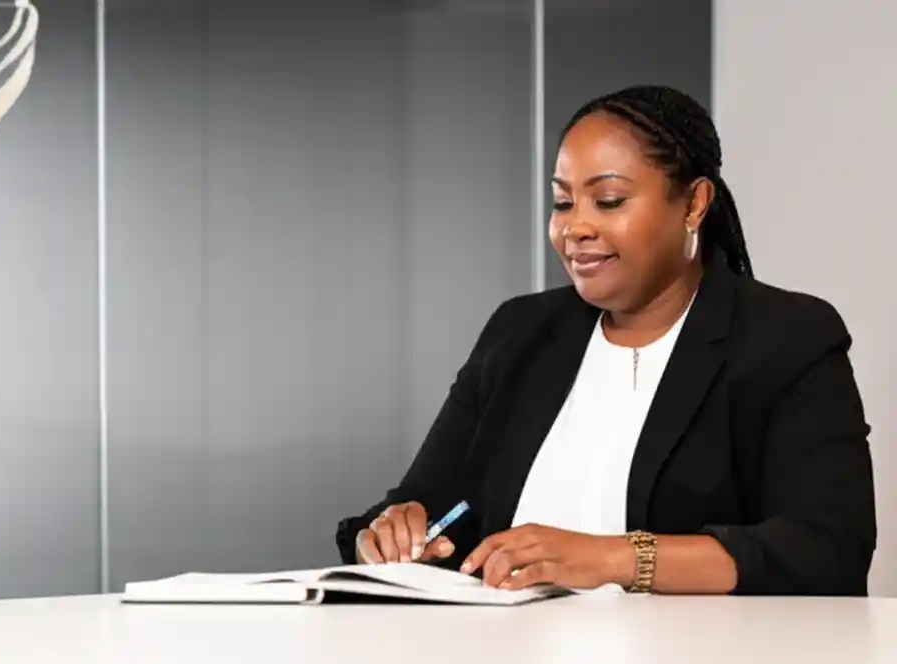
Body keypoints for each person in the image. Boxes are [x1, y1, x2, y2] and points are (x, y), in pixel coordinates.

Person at [336, 85, 876, 596]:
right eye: (563, 203)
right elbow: (423, 503)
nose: (575, 228)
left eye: (610, 201)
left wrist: (615, 559)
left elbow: (827, 548)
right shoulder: (520, 332)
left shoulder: (786, 337)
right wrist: (384, 537)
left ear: (693, 204)